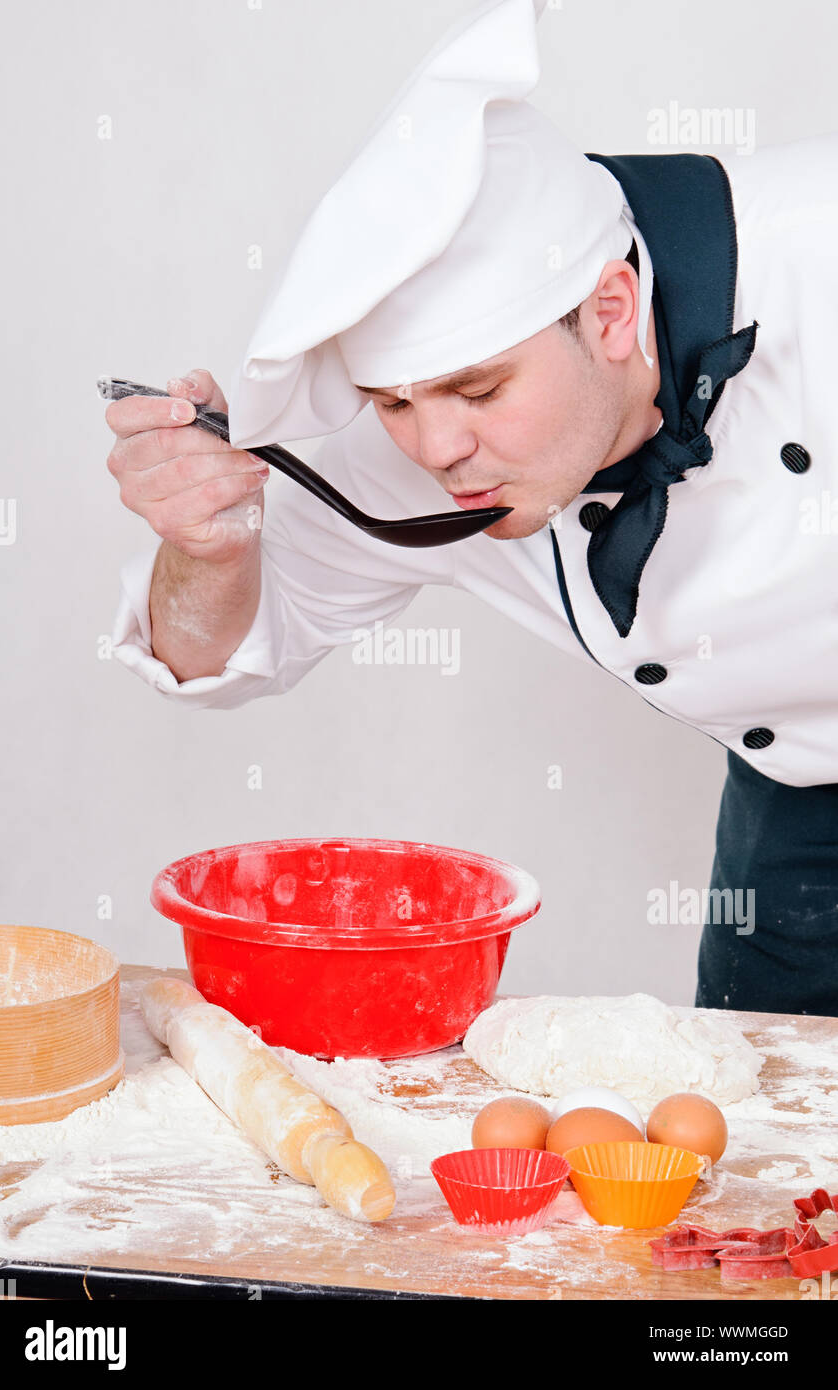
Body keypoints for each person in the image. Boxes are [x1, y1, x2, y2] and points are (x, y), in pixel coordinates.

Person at [104, 0, 838, 1016]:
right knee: (769, 1133)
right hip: (801, 805)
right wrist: (205, 546)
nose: (437, 448)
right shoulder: (424, 459)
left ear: (609, 310)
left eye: (481, 389)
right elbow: (217, 661)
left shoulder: (819, 245)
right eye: (394, 401)